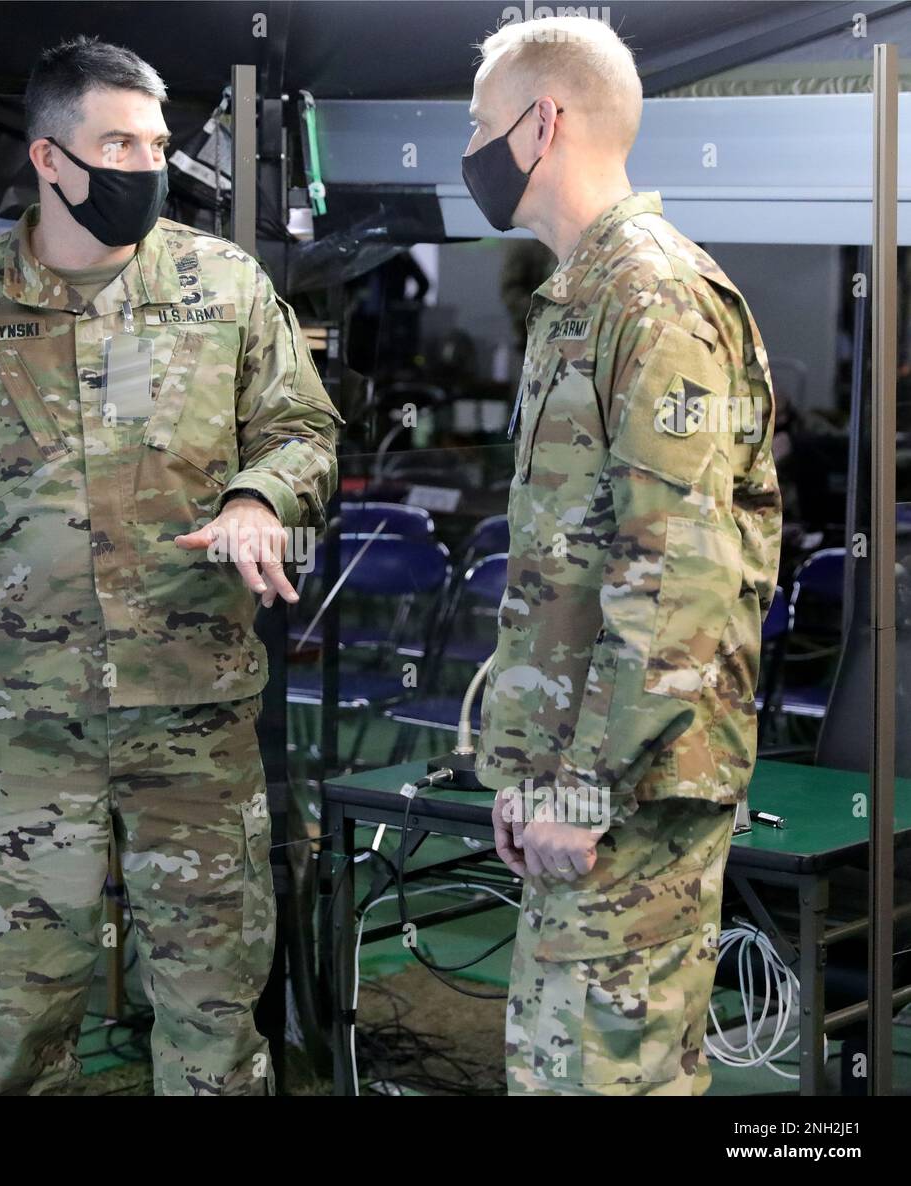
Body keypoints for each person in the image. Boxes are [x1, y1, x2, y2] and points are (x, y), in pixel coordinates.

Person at [0, 34, 343, 1096]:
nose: (145, 165)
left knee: (214, 1017)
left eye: (156, 142)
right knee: (20, 1017)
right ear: (49, 158)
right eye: (117, 141)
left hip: (196, 721)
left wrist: (263, 493)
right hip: (22, 728)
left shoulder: (226, 289)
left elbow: (304, 428)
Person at [461, 15, 782, 1095]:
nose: (469, 151)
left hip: (626, 790)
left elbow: (676, 576)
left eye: (478, 125)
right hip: (583, 774)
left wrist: (586, 787)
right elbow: (570, 569)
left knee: (606, 1078)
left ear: (539, 122)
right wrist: (524, 765)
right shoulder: (582, 299)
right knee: (564, 1070)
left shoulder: (651, 297)